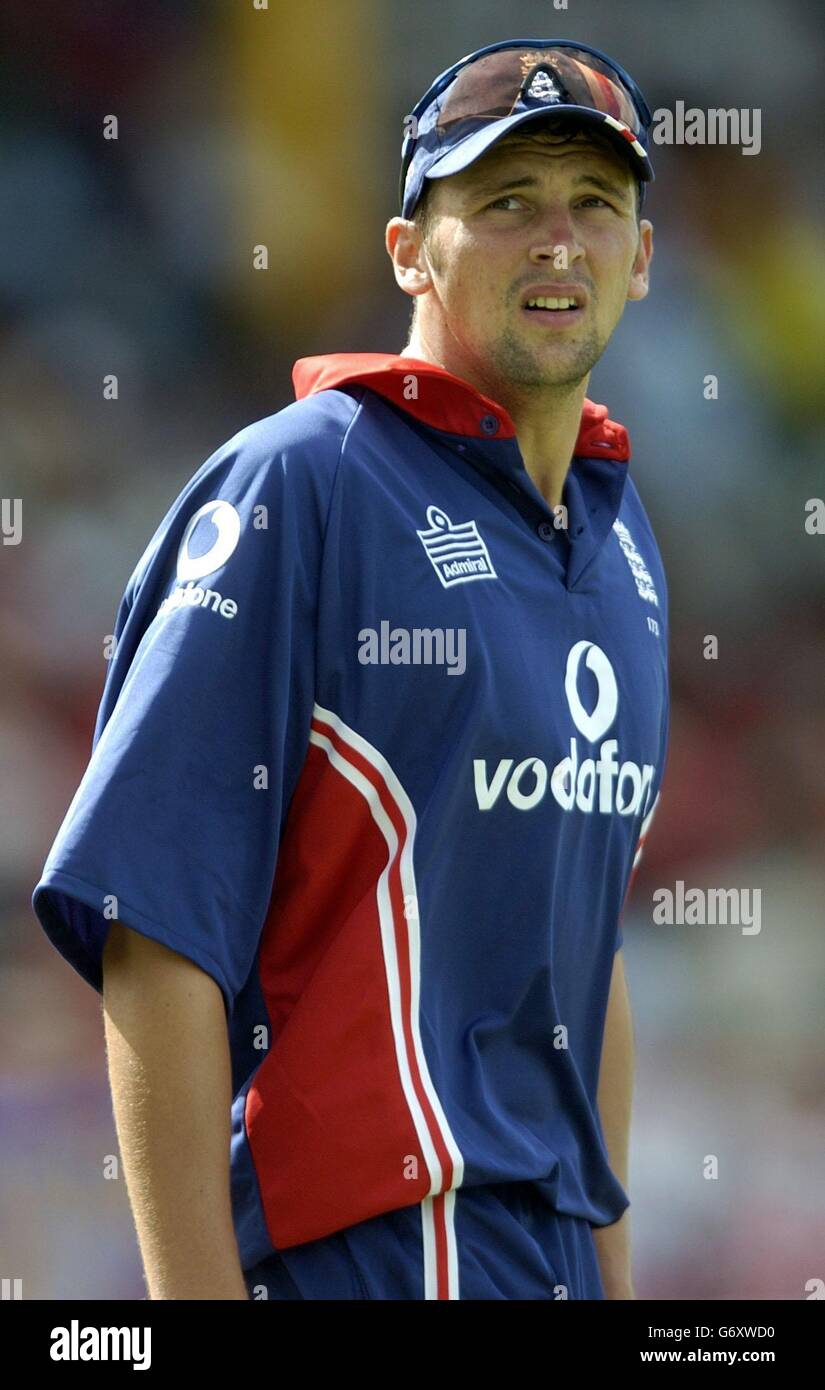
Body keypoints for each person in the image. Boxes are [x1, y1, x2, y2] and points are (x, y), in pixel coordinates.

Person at [32, 37, 670, 1300]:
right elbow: (152, 929)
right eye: (503, 204)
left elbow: (583, 964)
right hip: (371, 1260)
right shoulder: (305, 482)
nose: (558, 241)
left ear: (641, 259)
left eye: (594, 205)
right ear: (407, 249)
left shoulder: (624, 541)